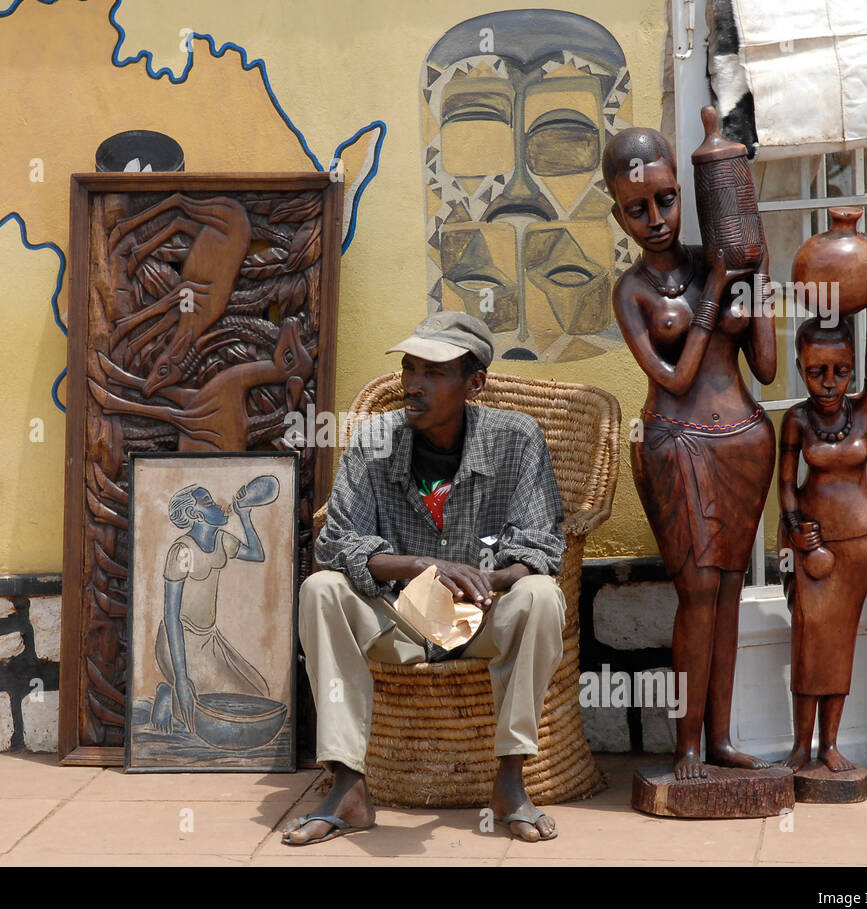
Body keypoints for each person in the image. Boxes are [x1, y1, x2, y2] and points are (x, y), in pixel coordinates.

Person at [282, 312, 567, 845]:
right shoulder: (374, 440)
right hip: (399, 622)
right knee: (320, 588)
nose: (412, 383)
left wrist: (487, 578)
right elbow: (337, 543)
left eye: (433, 373)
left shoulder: (517, 440)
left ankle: (509, 779)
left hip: (482, 618)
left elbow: (542, 543)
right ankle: (349, 785)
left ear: (473, 383)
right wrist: (423, 567)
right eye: (410, 368)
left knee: (542, 595)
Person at [603, 126, 777, 780]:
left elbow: (764, 366)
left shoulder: (721, 261)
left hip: (744, 441)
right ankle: (685, 748)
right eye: (636, 208)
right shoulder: (633, 292)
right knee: (697, 591)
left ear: (683, 192)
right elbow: (673, 379)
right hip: (676, 446)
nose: (655, 219)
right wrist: (712, 299)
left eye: (667, 200)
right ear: (616, 211)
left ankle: (723, 738)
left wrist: (755, 285)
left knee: (729, 591)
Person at [778, 284, 867, 773]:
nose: (829, 383)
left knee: (840, 643)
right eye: (817, 372)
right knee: (809, 642)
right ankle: (801, 747)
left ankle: (830, 745)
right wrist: (797, 527)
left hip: (861, 546)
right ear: (800, 369)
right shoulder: (797, 421)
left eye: (841, 371)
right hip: (813, 546)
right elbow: (784, 486)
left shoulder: (864, 412)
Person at [150, 483, 271, 736]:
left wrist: (246, 517)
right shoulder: (181, 551)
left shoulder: (221, 540)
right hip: (178, 641)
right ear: (196, 515)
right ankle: (169, 691)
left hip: (209, 640)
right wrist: (182, 677)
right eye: (208, 502)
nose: (217, 504)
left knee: (257, 692)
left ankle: (172, 690)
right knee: (196, 700)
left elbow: (257, 554)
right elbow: (171, 618)